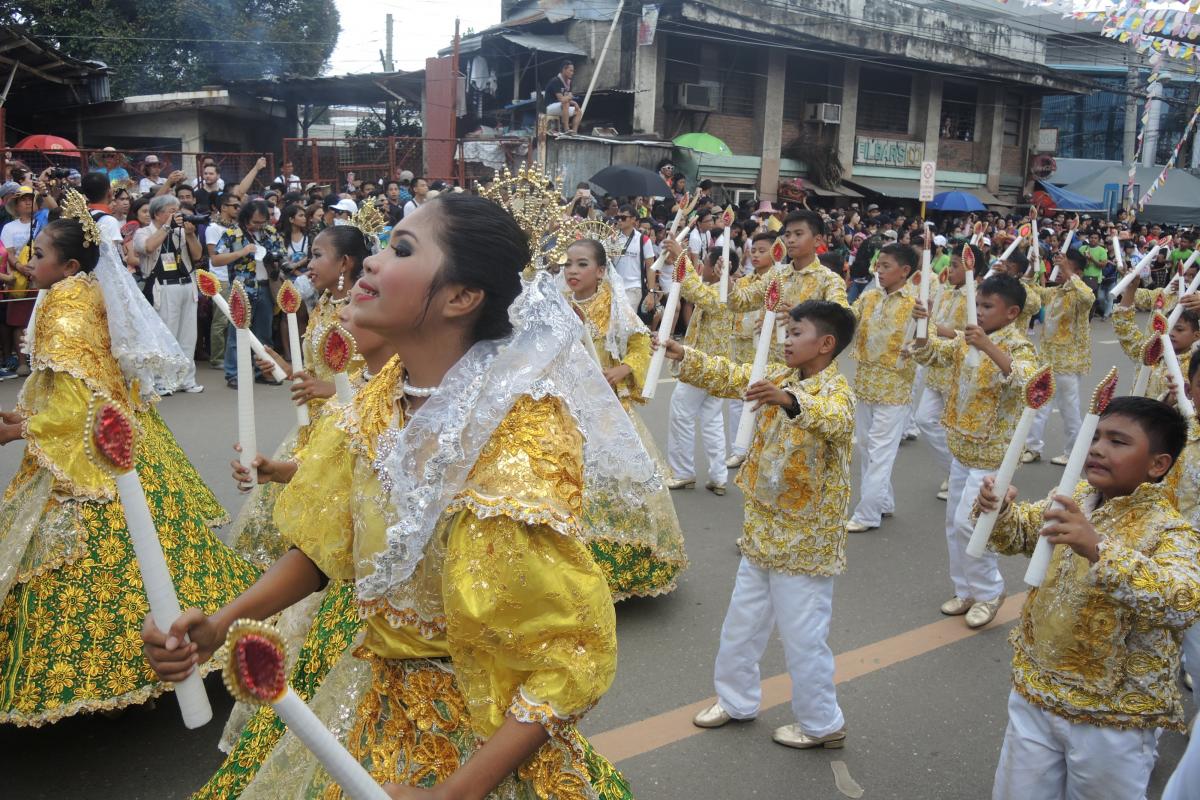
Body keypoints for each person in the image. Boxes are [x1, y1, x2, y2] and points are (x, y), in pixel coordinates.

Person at [143, 193, 639, 798]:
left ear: (461, 297)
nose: (371, 262)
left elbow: (569, 655)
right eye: (382, 245)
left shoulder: (518, 437)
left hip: (480, 731)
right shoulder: (378, 402)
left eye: (401, 249)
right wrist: (223, 622)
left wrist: (453, 793)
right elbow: (330, 551)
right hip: (371, 697)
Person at [0, 193, 259, 727]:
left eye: (41, 255)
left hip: (86, 454)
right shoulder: (83, 292)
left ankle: (111, 664)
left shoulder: (64, 314)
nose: (31, 264)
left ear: (70, 266)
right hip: (112, 439)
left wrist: (23, 427)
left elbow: (77, 405)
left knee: (83, 568)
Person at [658, 299, 857, 750]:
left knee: (804, 637)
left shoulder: (837, 392)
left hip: (806, 541)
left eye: (796, 333)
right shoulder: (782, 376)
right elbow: (734, 375)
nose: (787, 340)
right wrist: (683, 355)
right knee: (741, 622)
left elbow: (837, 422)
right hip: (763, 529)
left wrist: (788, 401)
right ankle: (736, 700)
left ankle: (823, 724)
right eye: (787, 333)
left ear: (825, 344)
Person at [978, 396, 1199, 799]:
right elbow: (1024, 534)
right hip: (1037, 691)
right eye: (1094, 436)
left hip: (1112, 718)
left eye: (1117, 441)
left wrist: (1097, 548)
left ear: (1157, 465)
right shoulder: (1074, 496)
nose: (1097, 448)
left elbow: (1181, 600)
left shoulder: (1170, 530)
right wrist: (1000, 511)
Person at [223, 224, 368, 567]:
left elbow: (390, 371)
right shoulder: (324, 303)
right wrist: (285, 366)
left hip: (349, 426)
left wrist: (332, 390)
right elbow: (316, 371)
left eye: (318, 255)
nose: (309, 264)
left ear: (345, 262)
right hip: (312, 425)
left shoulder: (365, 308)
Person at [563, 235, 688, 599]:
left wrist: (623, 370)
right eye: (568, 263)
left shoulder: (614, 304)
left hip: (608, 411)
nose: (573, 270)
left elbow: (638, 343)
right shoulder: (555, 305)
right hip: (568, 408)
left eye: (582, 264)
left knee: (617, 485)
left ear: (601, 271)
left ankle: (622, 568)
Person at [912, 274, 1038, 629]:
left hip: (995, 455)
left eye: (987, 307)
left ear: (1012, 313)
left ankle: (989, 591)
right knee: (955, 524)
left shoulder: (1018, 345)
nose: (978, 312)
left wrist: (987, 347)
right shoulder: (967, 341)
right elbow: (929, 354)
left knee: (973, 526)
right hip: (962, 449)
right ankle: (965, 588)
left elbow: (1031, 381)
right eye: (977, 304)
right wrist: (923, 323)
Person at [844, 243, 919, 533]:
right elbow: (847, 318)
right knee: (865, 447)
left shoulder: (916, 304)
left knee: (879, 452)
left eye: (886, 266)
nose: (879, 270)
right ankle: (883, 501)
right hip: (865, 385)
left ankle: (868, 513)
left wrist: (922, 335)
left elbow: (928, 343)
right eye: (879, 264)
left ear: (905, 271)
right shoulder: (870, 297)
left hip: (895, 390)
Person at [667, 240, 735, 495]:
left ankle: (684, 472)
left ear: (716, 268)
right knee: (712, 420)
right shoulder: (727, 291)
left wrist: (679, 255)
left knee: (682, 414)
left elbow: (693, 289)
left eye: (704, 263)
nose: (702, 267)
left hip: (704, 366)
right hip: (717, 367)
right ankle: (718, 477)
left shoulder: (722, 292)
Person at [1022, 248, 1094, 465]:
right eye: (1059, 266)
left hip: (1068, 364)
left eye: (1066, 266)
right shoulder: (1054, 293)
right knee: (1038, 406)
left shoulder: (1081, 295)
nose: (1059, 270)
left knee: (1069, 409)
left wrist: (1066, 269)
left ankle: (1074, 452)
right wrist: (1031, 267)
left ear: (1078, 272)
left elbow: (1088, 297)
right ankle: (1032, 447)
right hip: (1046, 360)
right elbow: (1030, 290)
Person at [913, 247, 971, 501]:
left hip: (960, 373)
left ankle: (961, 476)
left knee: (956, 429)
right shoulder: (946, 293)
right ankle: (954, 471)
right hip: (938, 369)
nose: (951, 269)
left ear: (970, 267)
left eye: (957, 265)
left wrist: (945, 331)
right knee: (924, 419)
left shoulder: (976, 296)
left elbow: (977, 336)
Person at [132, 194, 204, 394]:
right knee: (165, 335)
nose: (177, 214)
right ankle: (162, 381)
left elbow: (198, 255)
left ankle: (186, 379)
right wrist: (167, 227)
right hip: (161, 287)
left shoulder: (181, 232)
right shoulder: (143, 231)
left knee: (188, 336)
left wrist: (190, 235)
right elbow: (146, 247)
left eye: (177, 210)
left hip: (186, 285)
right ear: (157, 214)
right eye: (172, 211)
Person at [211, 199, 282, 388]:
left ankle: (264, 372)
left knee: (264, 334)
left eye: (262, 222)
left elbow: (282, 253)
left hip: (265, 286)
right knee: (237, 334)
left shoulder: (270, 233)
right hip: (242, 289)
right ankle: (233, 374)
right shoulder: (233, 234)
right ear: (245, 218)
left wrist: (274, 257)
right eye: (254, 222)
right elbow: (216, 259)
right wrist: (241, 253)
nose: (258, 226)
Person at [726, 232, 779, 468]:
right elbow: (732, 303)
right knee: (738, 400)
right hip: (740, 345)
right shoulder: (745, 281)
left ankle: (760, 449)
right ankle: (739, 449)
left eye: (762, 250)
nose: (756, 255)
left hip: (765, 350)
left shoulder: (779, 281)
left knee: (761, 402)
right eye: (753, 250)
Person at [1114, 274, 1200, 399]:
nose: (1171, 333)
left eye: (1179, 329)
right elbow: (1123, 325)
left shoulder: (1195, 364)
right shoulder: (1148, 354)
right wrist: (1131, 290)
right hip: (1140, 416)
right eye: (1168, 328)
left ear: (1196, 335)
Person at [0, 185, 39, 377]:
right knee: (19, 322)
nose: (27, 202)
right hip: (20, 279)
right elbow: (9, 254)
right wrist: (21, 267)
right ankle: (22, 361)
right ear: (16, 205)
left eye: (30, 198)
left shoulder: (42, 223)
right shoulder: (9, 228)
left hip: (40, 277)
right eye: (23, 199)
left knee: (40, 319)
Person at [204, 192, 240, 369]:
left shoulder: (237, 226)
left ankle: (229, 357)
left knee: (234, 319)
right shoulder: (213, 228)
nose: (238, 209)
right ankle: (217, 358)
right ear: (224, 207)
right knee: (221, 320)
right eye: (234, 206)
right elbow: (213, 256)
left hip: (236, 276)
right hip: (221, 278)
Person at [612, 203, 656, 312]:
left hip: (634, 288)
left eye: (623, 218)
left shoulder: (644, 240)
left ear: (633, 219)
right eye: (617, 218)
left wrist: (651, 292)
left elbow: (651, 268)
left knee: (627, 321)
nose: (619, 221)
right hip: (614, 288)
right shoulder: (612, 238)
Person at [545, 59, 581, 133]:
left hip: (561, 107)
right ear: (564, 69)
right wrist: (569, 98)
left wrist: (574, 103)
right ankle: (566, 129)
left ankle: (574, 132)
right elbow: (562, 99)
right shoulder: (556, 81)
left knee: (579, 111)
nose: (572, 73)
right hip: (549, 107)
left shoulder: (569, 83)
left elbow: (568, 98)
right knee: (565, 102)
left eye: (573, 71)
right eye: (570, 70)